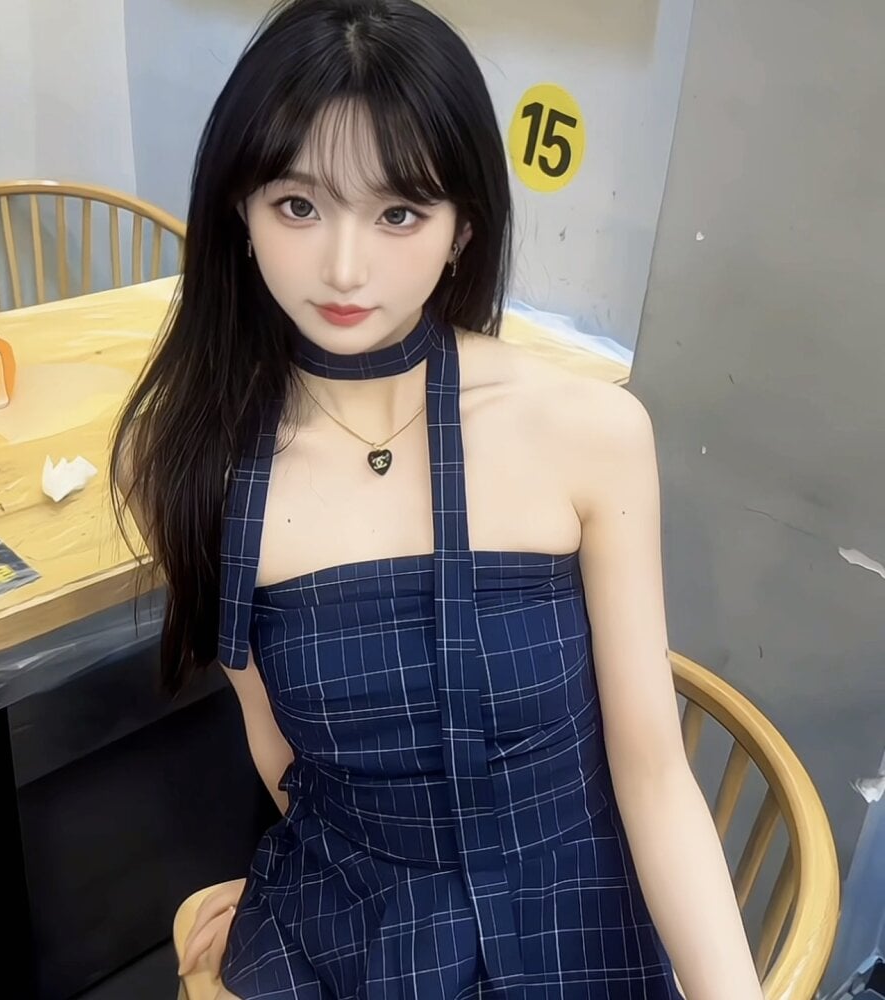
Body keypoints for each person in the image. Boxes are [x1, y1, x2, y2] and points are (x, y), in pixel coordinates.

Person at [112, 1, 763, 997]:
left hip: (574, 918)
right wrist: (312, 882)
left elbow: (653, 774)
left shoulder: (590, 432)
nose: (344, 268)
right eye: (298, 206)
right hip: (355, 925)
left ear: (463, 228)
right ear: (239, 210)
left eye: (399, 213)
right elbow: (281, 751)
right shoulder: (191, 460)